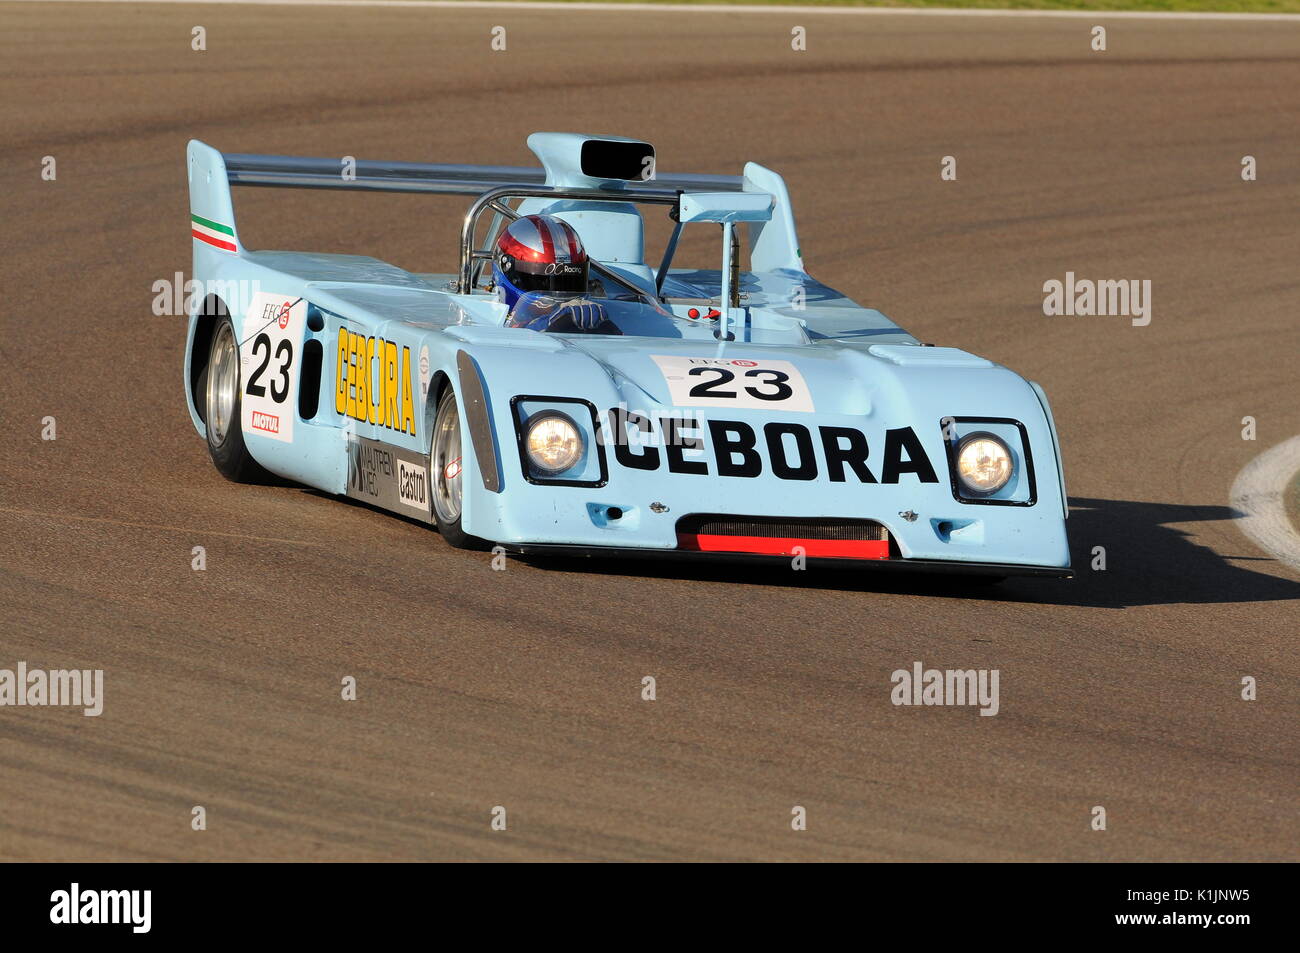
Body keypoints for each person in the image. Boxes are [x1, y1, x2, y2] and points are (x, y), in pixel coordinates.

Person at [492, 214, 621, 335]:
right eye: (541, 281)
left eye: (568, 282)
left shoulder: (593, 315)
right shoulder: (479, 315)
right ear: (506, 269)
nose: (557, 297)